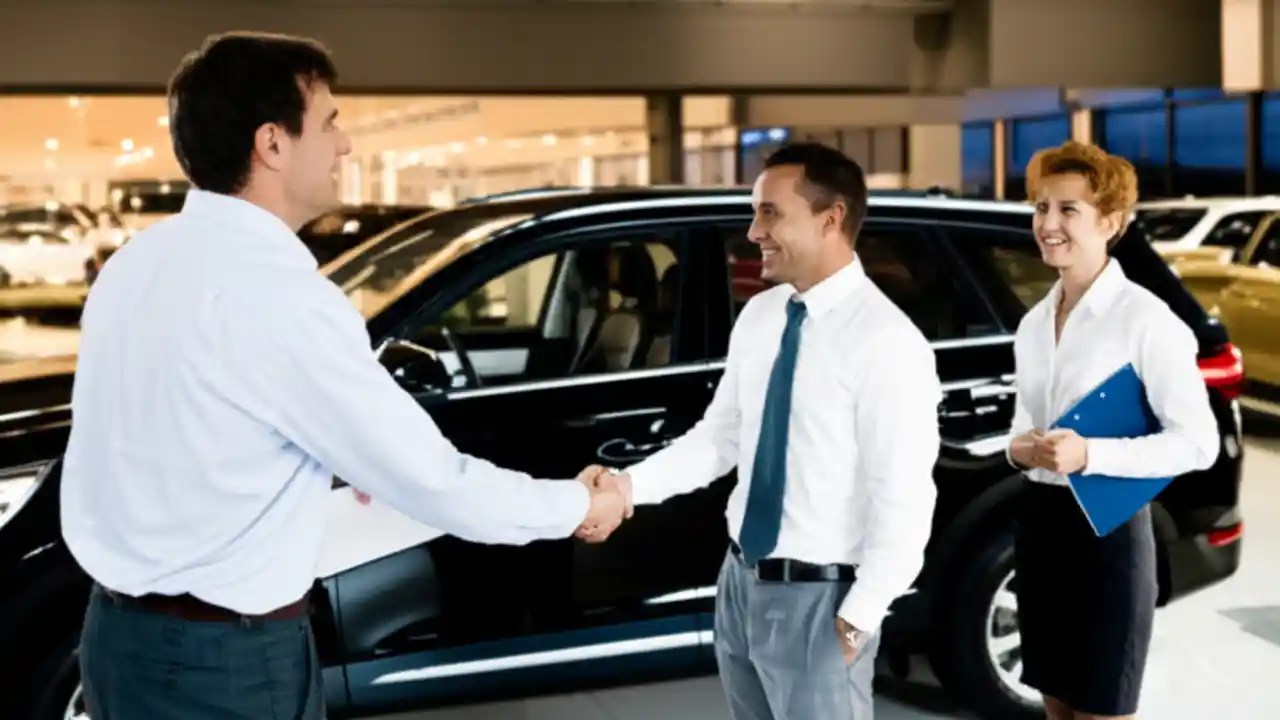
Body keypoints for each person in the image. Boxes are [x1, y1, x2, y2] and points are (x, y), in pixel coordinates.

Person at [60, 31, 625, 720]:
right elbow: (431, 480)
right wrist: (576, 506)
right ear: (272, 143)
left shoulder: (134, 266)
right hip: (224, 665)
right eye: (329, 122)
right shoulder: (280, 296)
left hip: (115, 639)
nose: (345, 144)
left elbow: (187, 459)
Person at [577, 142, 942, 719]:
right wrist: (626, 489)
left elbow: (904, 497)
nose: (752, 232)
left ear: (831, 219)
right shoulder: (762, 316)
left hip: (822, 600)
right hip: (741, 582)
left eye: (771, 213)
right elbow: (719, 438)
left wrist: (859, 618)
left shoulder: (887, 343)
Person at [1005, 140, 1219, 720]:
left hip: (1110, 537)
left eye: (1067, 210)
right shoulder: (1031, 324)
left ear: (1112, 222)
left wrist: (1090, 454)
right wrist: (1018, 447)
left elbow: (1199, 442)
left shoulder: (1147, 321)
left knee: (1103, 707)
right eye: (1041, 208)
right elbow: (1024, 425)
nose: (1048, 224)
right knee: (1054, 704)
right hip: (1041, 528)